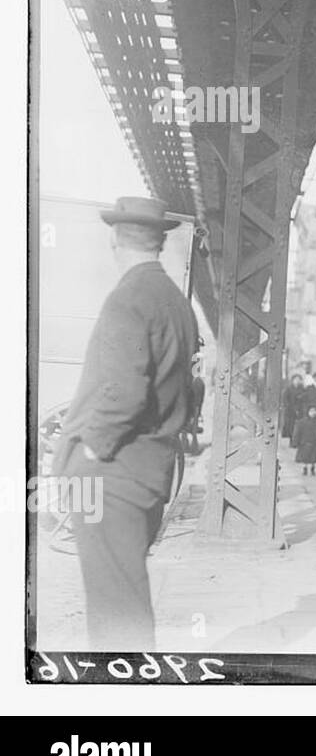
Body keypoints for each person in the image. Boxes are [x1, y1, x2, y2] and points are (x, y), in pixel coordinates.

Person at [52, 196, 199, 651]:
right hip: (149, 471)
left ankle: (121, 695)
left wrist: (93, 447)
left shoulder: (128, 297)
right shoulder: (175, 301)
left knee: (114, 605)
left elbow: (124, 391)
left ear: (116, 239)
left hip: (112, 473)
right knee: (126, 594)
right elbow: (190, 390)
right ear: (159, 242)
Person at [292, 404, 316, 476]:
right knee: (305, 457)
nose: (313, 412)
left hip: (315, 442)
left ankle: (312, 468)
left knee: (314, 457)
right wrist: (295, 442)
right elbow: (297, 432)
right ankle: (305, 468)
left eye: (314, 411)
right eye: (311, 411)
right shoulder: (302, 422)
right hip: (305, 442)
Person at [281, 373, 304, 441]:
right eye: (296, 379)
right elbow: (285, 399)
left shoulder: (302, 388)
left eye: (298, 380)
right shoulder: (288, 389)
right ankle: (292, 440)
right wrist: (288, 406)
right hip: (290, 411)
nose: (297, 381)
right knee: (291, 426)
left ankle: (297, 440)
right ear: (293, 380)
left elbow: (305, 397)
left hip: (300, 410)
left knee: (299, 426)